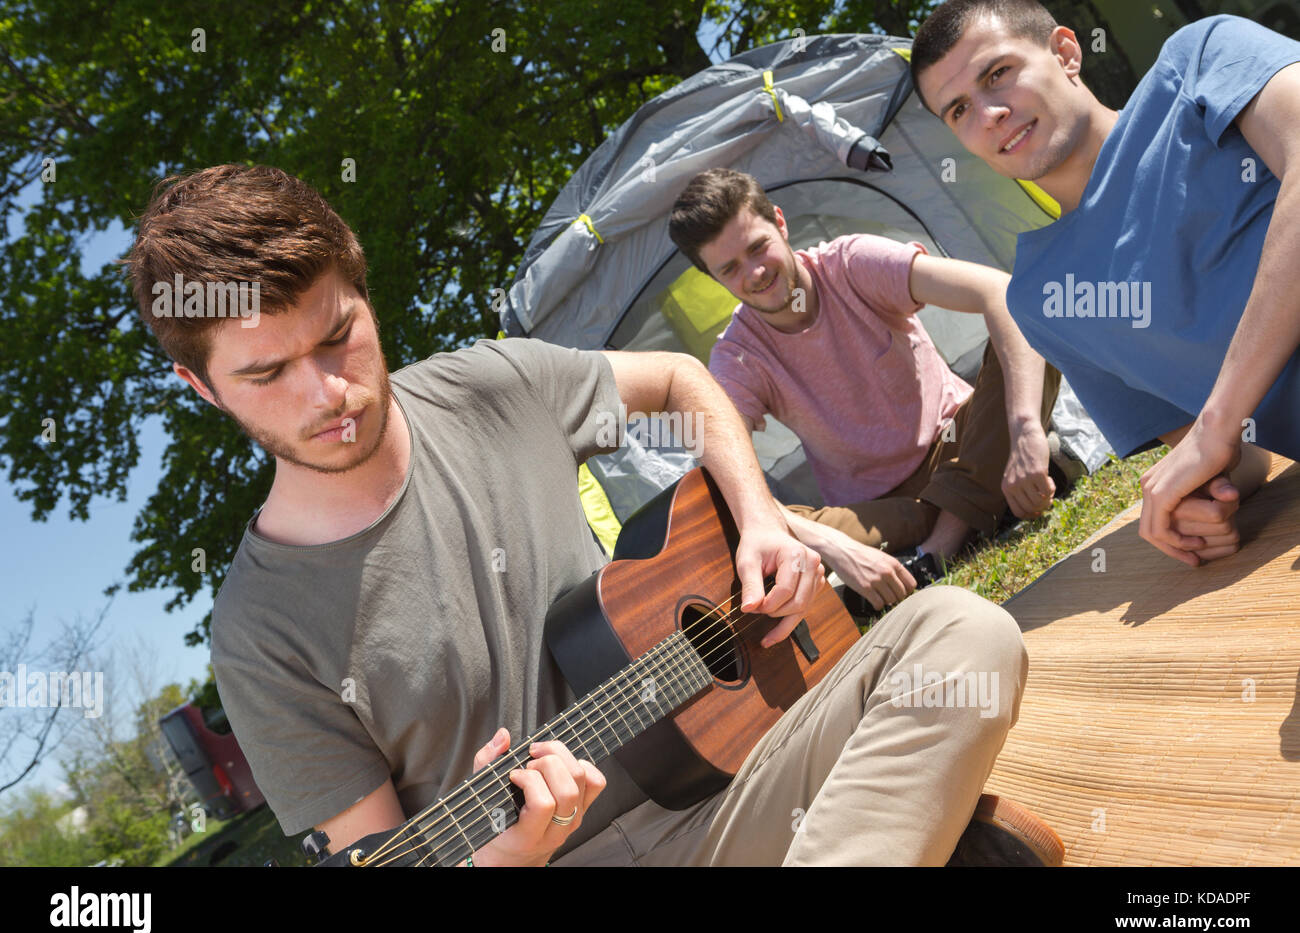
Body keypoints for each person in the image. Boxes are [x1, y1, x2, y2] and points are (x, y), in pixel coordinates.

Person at [124, 163, 1061, 866]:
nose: (329, 392)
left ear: (365, 295)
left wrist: (763, 516)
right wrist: (511, 853)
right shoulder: (261, 630)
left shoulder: (491, 385)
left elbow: (682, 380)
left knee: (963, 637)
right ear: (201, 387)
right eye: (267, 373)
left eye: (339, 337)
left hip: (729, 786)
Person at [909, 1, 1293, 566]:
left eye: (997, 75)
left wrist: (1217, 423)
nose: (988, 113)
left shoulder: (1200, 59)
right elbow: (1242, 457)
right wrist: (1201, 495)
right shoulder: (1042, 300)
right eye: (959, 109)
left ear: (1065, 52)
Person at [669, 168, 1061, 612]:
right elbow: (717, 478)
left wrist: (1025, 428)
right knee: (749, 518)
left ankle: (937, 549)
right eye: (730, 269)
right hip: (878, 509)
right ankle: (981, 505)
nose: (756, 272)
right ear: (713, 279)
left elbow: (1001, 292)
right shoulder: (738, 358)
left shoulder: (851, 263)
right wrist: (837, 547)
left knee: (1032, 322)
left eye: (758, 247)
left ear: (780, 222)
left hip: (957, 443)